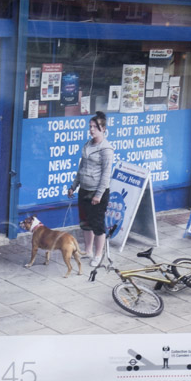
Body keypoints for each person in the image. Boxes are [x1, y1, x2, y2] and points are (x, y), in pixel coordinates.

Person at [67, 111, 113, 267]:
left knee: (97, 224)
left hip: (97, 193)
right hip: (84, 190)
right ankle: (88, 251)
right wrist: (74, 186)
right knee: (85, 222)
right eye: (90, 126)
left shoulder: (106, 149)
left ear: (103, 129)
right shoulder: (88, 144)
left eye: (95, 127)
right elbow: (82, 167)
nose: (92, 129)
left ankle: (99, 255)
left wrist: (99, 195)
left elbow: (106, 174)